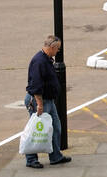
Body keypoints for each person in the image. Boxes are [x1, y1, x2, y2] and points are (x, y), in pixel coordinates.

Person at [23, 35, 71, 169]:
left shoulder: (46, 59)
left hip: (48, 100)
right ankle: (31, 159)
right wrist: (39, 104)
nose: (58, 52)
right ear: (52, 47)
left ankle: (55, 156)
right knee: (36, 129)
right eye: (58, 49)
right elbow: (36, 85)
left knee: (56, 126)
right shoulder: (39, 61)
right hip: (39, 100)